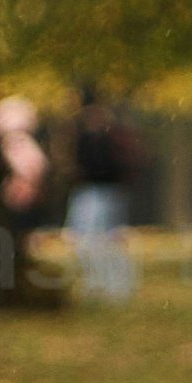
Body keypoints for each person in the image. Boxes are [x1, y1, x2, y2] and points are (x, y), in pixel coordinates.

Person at [62, 94, 141, 309]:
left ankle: (113, 286)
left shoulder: (107, 141)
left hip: (106, 193)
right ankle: (98, 283)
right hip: (91, 192)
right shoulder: (88, 140)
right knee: (86, 240)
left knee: (108, 240)